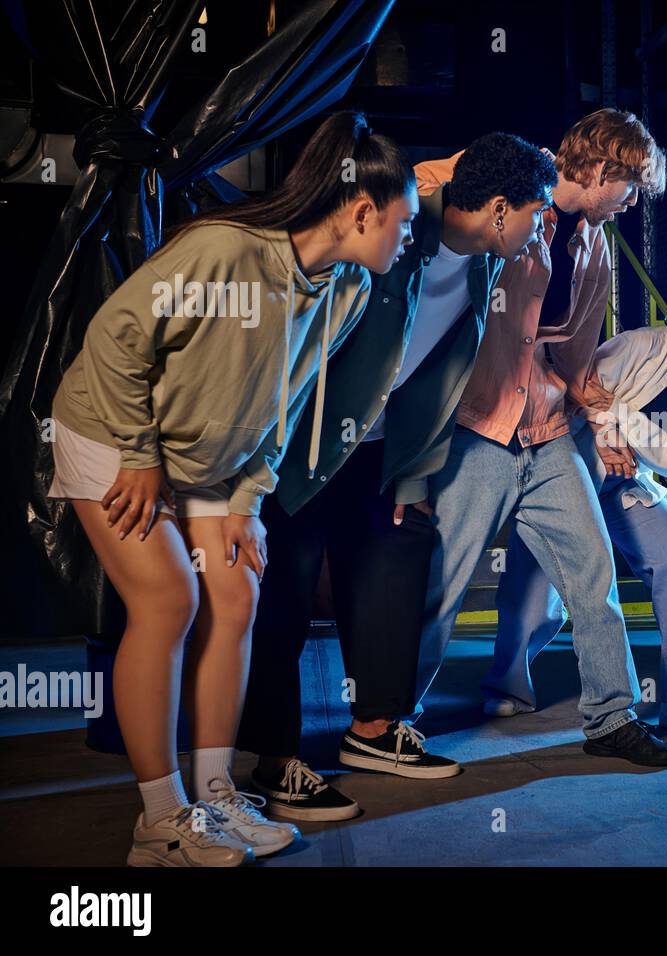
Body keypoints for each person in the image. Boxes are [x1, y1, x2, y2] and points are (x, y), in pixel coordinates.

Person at [47, 112, 414, 866]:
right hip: (114, 431)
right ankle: (159, 821)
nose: (406, 239)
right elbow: (115, 340)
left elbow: (286, 400)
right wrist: (141, 458)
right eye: (402, 223)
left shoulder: (342, 287)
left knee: (239, 591)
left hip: (207, 460)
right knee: (170, 600)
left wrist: (246, 499)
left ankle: (215, 794)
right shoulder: (225, 251)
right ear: (364, 210)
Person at [234, 134, 556, 822]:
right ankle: (274, 757)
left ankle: (373, 730)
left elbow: (440, 370)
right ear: (499, 208)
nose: (538, 228)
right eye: (534, 212)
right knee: (284, 590)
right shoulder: (396, 227)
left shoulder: (485, 263)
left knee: (394, 563)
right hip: (303, 441)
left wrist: (413, 471)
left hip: (380, 444)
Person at [414, 109, 667, 767]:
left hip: (547, 434)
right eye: (631, 187)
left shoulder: (594, 249)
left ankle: (609, 718)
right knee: (438, 587)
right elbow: (423, 184)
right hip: (475, 429)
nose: (631, 204)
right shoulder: (516, 185)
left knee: (593, 575)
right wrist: (472, 165)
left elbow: (576, 364)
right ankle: (391, 715)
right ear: (598, 170)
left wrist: (606, 426)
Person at [484, 259, 667, 741]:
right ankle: (509, 685)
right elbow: (581, 387)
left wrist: (622, 424)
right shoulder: (643, 344)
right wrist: (606, 434)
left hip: (629, 487)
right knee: (531, 583)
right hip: (572, 473)